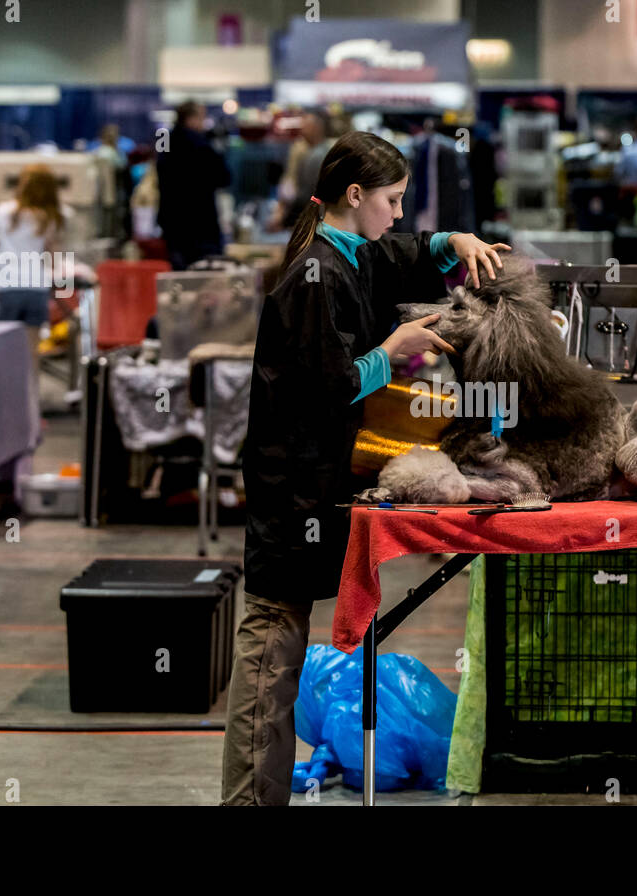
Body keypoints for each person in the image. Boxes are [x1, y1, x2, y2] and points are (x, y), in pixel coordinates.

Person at [221, 130, 510, 806]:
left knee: (280, 649)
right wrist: (394, 347)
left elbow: (400, 253)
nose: (400, 213)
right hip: (291, 487)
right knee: (271, 652)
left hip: (316, 481)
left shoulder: (352, 254)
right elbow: (329, 385)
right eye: (393, 199)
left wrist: (453, 242)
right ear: (355, 195)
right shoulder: (315, 276)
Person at [0, 164, 72, 412]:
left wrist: (2, 241)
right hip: (35, 287)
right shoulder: (48, 217)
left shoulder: (3, 212)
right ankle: (30, 409)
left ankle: (2, 405)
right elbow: (53, 256)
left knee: (4, 350)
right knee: (31, 355)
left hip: (8, 286)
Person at [156, 102, 231, 270]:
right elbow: (224, 178)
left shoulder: (164, 139)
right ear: (191, 119)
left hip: (172, 224)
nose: (204, 123)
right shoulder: (202, 144)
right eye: (202, 118)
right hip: (201, 224)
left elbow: (159, 172)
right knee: (203, 277)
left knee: (178, 275)